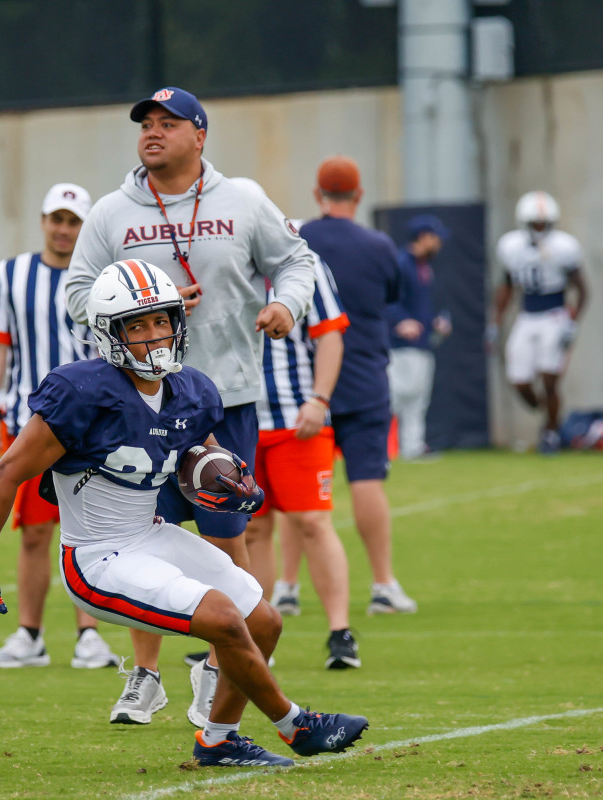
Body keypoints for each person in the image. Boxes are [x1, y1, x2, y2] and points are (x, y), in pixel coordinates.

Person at [0, 260, 367, 767]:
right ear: (110, 333)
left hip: (150, 534)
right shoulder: (80, 392)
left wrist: (233, 481)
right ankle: (295, 725)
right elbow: (3, 476)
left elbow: (205, 453)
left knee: (264, 621)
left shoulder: (191, 389)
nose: (155, 336)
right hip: (95, 557)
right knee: (223, 618)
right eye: (138, 326)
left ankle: (219, 740)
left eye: (162, 320)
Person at [64, 86, 315, 726]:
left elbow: (297, 260)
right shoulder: (111, 212)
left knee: (225, 532)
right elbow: (77, 292)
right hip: (137, 402)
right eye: (145, 123)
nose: (152, 131)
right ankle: (144, 675)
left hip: (223, 396)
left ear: (199, 135)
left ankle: (217, 663)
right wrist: (150, 304)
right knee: (140, 539)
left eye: (168, 122)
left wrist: (285, 305)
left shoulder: (243, 200)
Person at [0, 183, 122, 670]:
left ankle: (89, 634)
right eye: (57, 219)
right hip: (31, 419)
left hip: (93, 422)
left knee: (90, 531)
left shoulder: (102, 275)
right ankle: (30, 635)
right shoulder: (11, 274)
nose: (64, 229)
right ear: (43, 221)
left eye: (74, 221)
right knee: (35, 532)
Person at [297, 156, 417, 617]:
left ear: (317, 194)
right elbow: (391, 294)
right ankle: (383, 584)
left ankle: (286, 586)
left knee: (300, 486)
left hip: (310, 380)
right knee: (367, 478)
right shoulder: (379, 244)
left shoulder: (300, 238)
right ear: (359, 195)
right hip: (364, 373)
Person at [241, 236, 360, 670]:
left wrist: (319, 399)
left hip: (296, 418)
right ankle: (250, 636)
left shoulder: (302, 260)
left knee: (312, 521)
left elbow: (330, 334)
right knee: (252, 529)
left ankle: (340, 632)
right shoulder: (215, 255)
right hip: (237, 420)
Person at [491, 191, 589, 454]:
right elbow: (506, 287)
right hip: (527, 315)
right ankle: (550, 414)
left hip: (555, 314)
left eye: (543, 223)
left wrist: (572, 323)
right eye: (535, 223)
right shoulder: (511, 246)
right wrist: (495, 323)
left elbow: (582, 289)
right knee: (519, 380)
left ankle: (551, 433)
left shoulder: (563, 247)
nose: (539, 229)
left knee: (549, 379)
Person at [386, 214, 451, 460]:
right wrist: (401, 321)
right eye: (435, 237)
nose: (439, 243)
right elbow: (388, 300)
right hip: (401, 345)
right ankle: (384, 447)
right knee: (396, 396)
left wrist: (436, 321)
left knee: (418, 398)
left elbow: (424, 305)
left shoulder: (425, 266)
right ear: (423, 237)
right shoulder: (402, 263)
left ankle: (412, 447)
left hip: (422, 343)